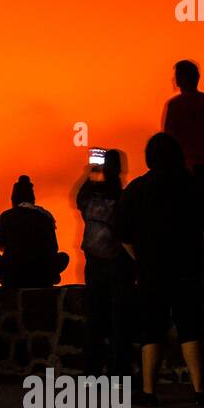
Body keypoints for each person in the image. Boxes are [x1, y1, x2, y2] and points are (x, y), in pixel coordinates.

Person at [117, 132, 204, 406]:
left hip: (152, 271)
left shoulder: (137, 189)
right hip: (188, 267)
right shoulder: (193, 186)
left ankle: (148, 391)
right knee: (190, 326)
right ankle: (200, 390)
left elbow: (122, 232)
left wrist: (140, 258)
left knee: (152, 328)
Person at [162, 60, 204, 285]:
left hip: (184, 175)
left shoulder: (175, 106)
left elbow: (169, 141)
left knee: (186, 226)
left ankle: (191, 273)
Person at [75, 150, 135, 379]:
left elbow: (78, 197)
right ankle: (120, 372)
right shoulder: (122, 198)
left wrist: (91, 174)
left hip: (93, 264)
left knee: (94, 319)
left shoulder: (90, 199)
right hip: (119, 264)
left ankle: (91, 371)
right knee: (120, 321)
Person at [0, 175, 70, 288]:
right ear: (33, 199)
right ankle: (49, 278)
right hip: (40, 276)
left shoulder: (6, 216)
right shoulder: (45, 217)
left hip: (13, 276)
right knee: (64, 257)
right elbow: (53, 248)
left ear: (14, 199)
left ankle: (9, 283)